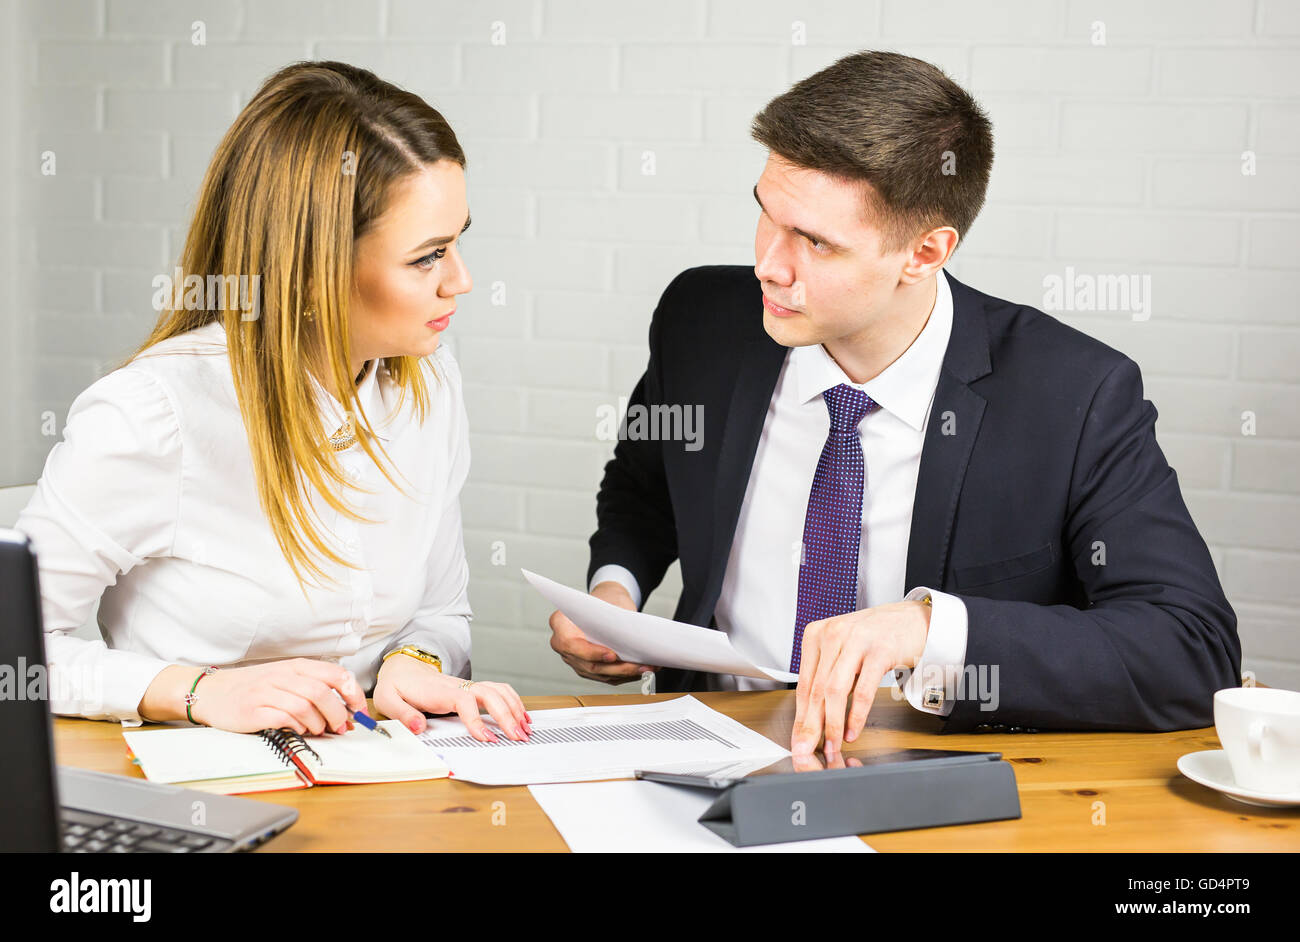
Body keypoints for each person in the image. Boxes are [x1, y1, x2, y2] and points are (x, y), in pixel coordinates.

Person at [548, 50, 1240, 756]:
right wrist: (615, 590)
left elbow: (1190, 648)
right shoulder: (700, 319)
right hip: (704, 745)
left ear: (925, 253)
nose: (769, 264)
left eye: (815, 242)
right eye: (767, 214)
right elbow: (645, 488)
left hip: (932, 773)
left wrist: (928, 629)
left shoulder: (1075, 394)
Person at [17, 61, 530, 745]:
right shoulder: (154, 413)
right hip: (198, 795)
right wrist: (199, 691)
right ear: (315, 268)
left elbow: (441, 609)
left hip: (376, 783)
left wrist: (415, 660)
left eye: (460, 241)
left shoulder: (430, 389)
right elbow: (15, 656)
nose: (461, 281)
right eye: (427, 257)